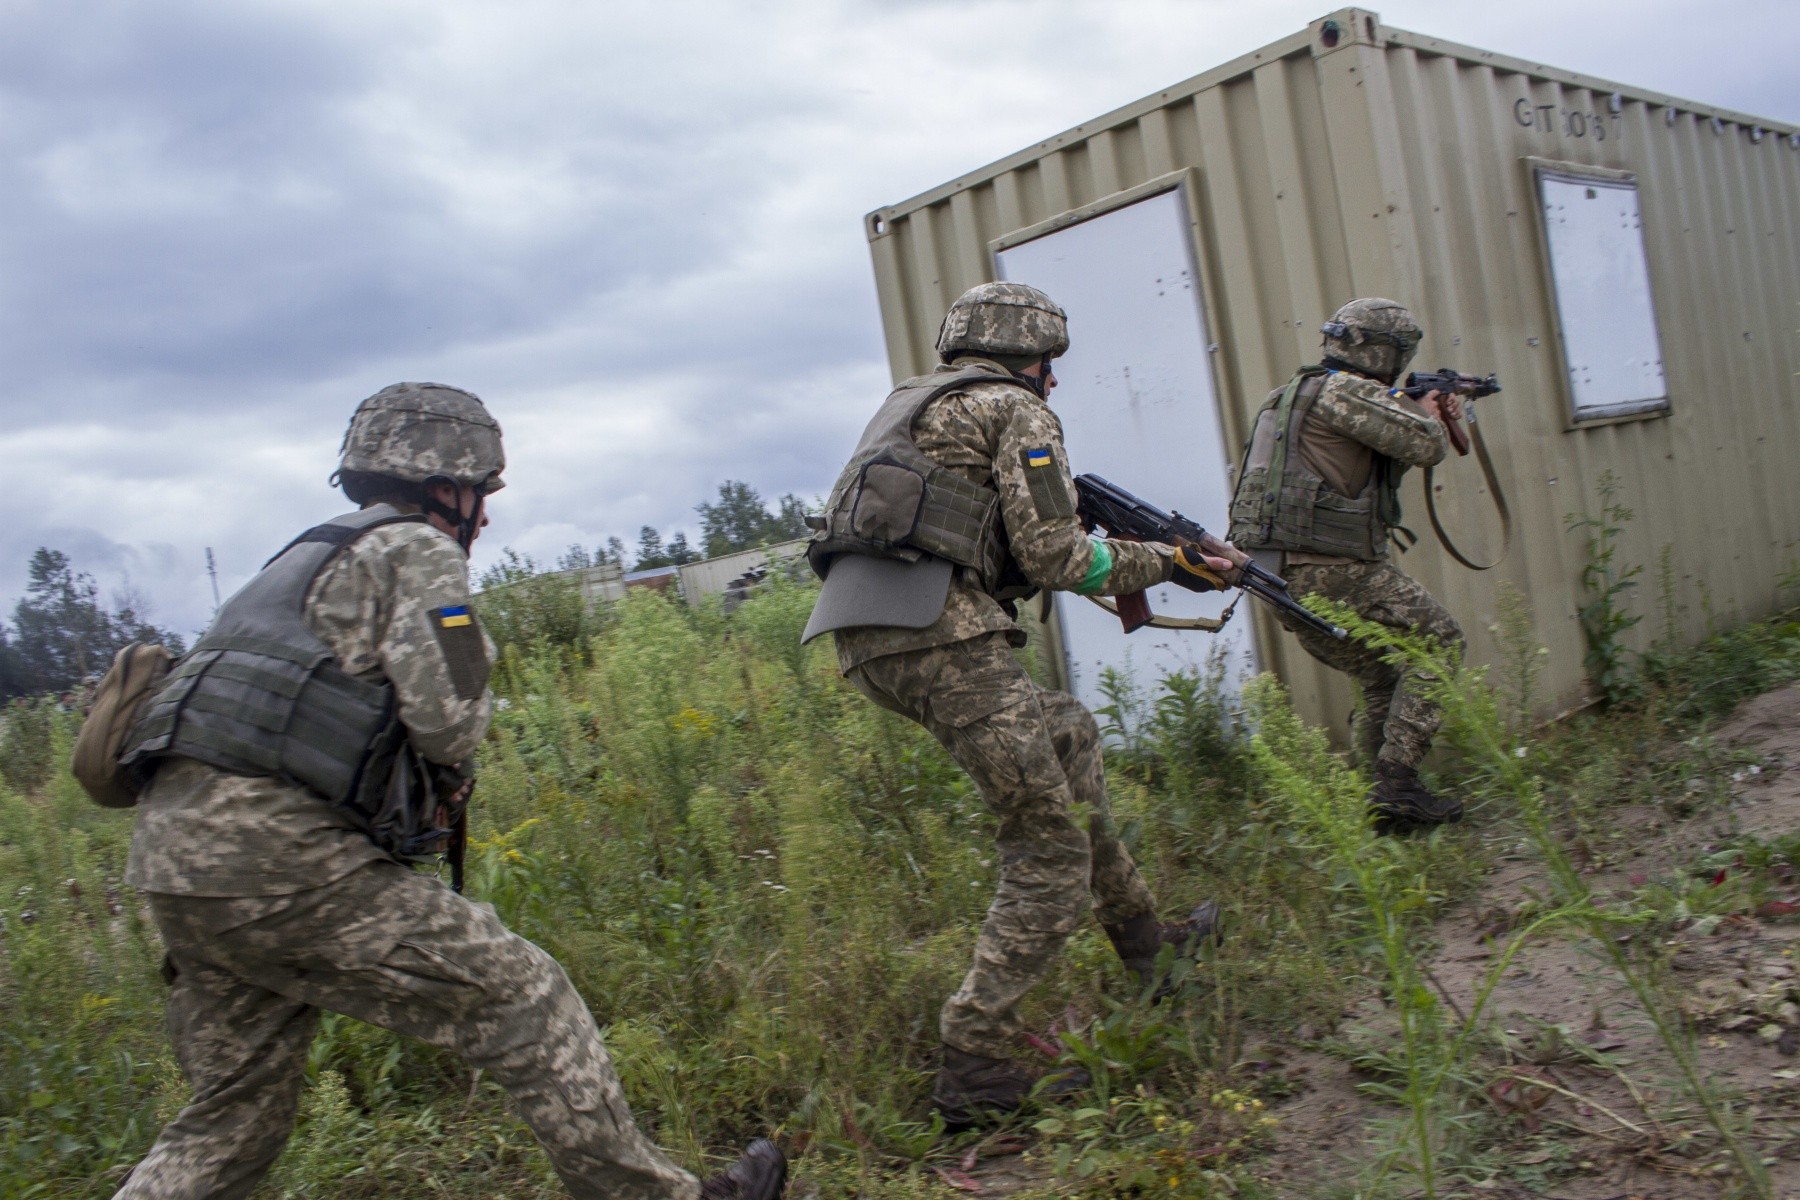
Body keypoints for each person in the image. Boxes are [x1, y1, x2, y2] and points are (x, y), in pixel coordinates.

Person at [113, 383, 785, 1200]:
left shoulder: (292, 565)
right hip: (282, 862)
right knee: (524, 995)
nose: (485, 517)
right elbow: (449, 722)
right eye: (480, 495)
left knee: (231, 1113)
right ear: (445, 486)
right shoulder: (417, 550)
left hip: (174, 867)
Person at [801, 283, 1236, 1128]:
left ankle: (1150, 946)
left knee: (1067, 734)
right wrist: (1171, 562)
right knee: (1047, 852)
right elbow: (1057, 557)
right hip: (943, 639)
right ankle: (974, 1063)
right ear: (1028, 359)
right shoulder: (1015, 410)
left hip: (870, 640)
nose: (1053, 382)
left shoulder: (912, 406)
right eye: (1049, 365)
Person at [1225, 297, 1466, 831]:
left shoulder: (1284, 397)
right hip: (1324, 567)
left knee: (1382, 674)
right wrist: (1429, 414)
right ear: (1383, 352)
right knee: (1442, 642)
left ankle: (1377, 806)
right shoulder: (1347, 391)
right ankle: (1397, 782)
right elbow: (1425, 446)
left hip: (1274, 576)